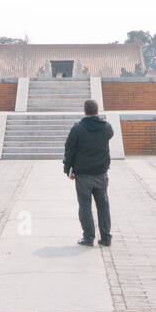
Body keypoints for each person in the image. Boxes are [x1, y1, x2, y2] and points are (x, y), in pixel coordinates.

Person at [63, 99, 114, 247]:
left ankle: (88, 237)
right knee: (103, 205)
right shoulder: (106, 127)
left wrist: (68, 169)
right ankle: (105, 237)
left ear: (84, 111)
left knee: (85, 206)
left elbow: (69, 150)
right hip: (101, 173)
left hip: (83, 174)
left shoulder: (77, 129)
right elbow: (110, 135)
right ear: (97, 111)